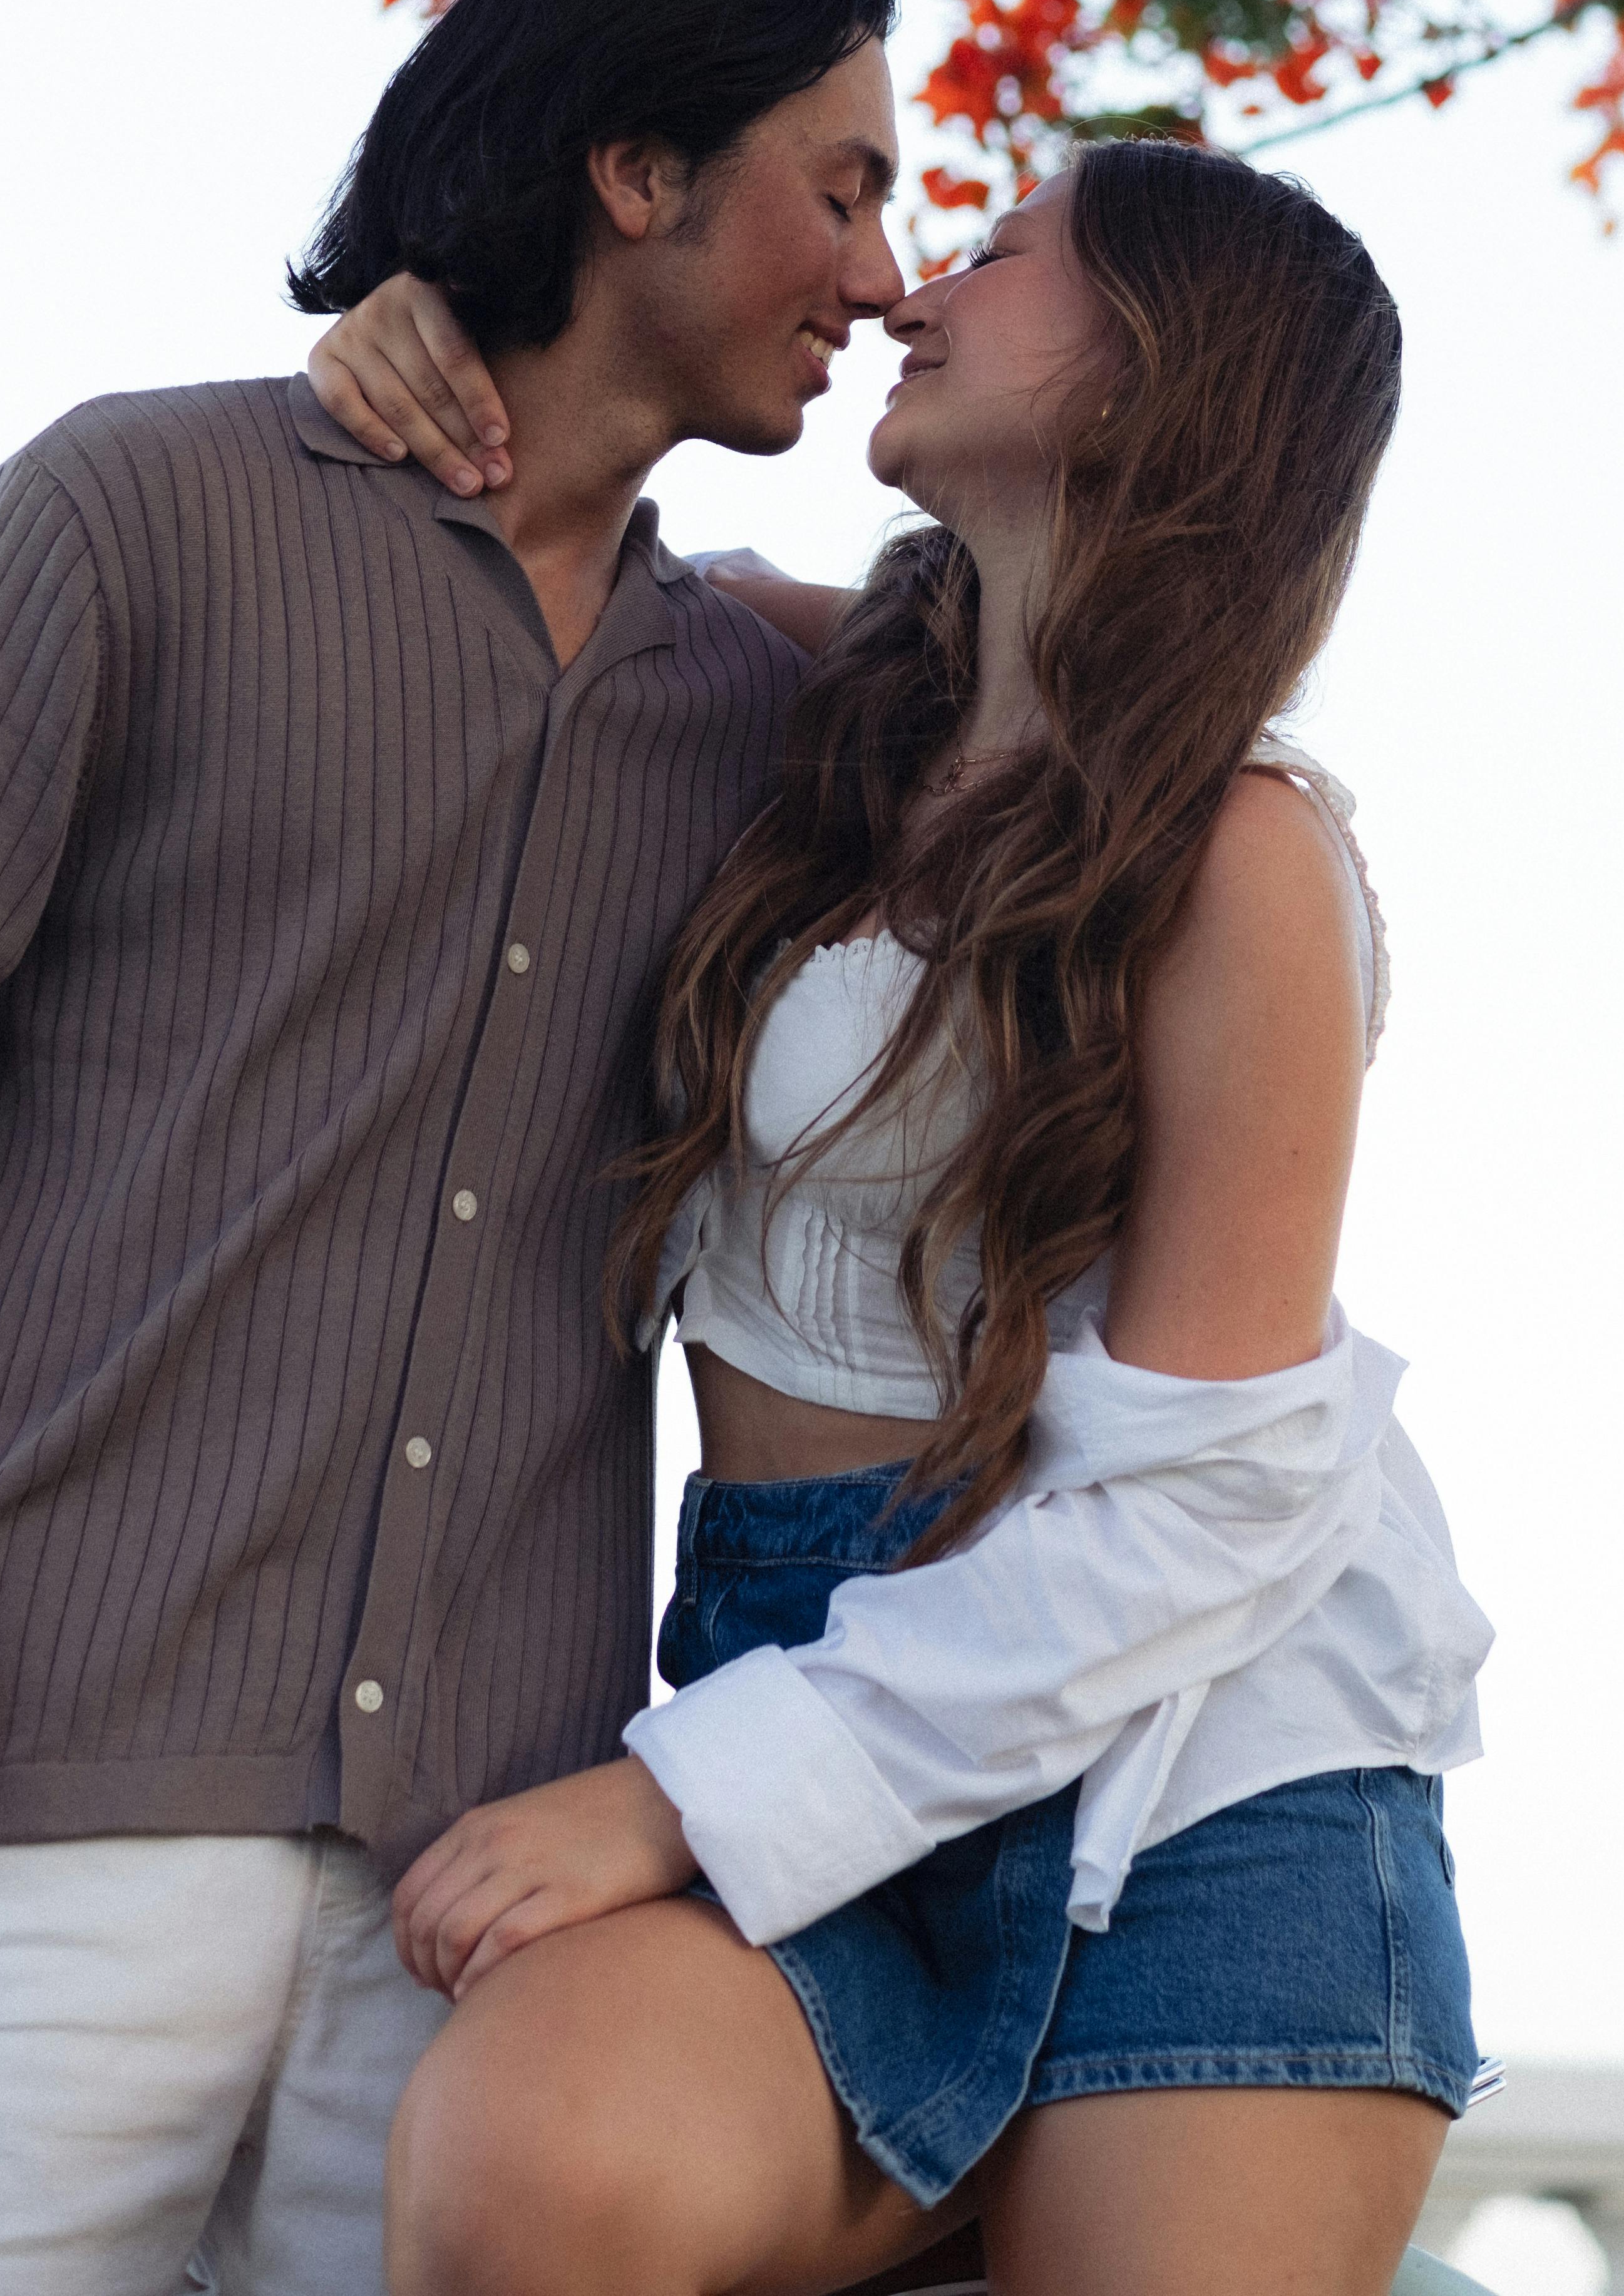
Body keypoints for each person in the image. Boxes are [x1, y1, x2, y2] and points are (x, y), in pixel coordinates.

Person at [0, 0, 909, 2296]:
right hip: (32, 1772)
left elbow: (1050, 640)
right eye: (846, 180)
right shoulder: (135, 513)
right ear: (632, 169)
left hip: (473, 1888)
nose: (880, 270)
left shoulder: (750, 707)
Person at [304, 141, 1494, 2296]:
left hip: (1207, 1770)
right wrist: (405, 346)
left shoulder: (1236, 856)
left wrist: (671, 1799)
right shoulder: (830, 708)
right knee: (531, 2160)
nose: (913, 286)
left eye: (1001, 253)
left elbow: (1208, 1502)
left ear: (1150, 376)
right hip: (810, 1669)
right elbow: (560, 544)